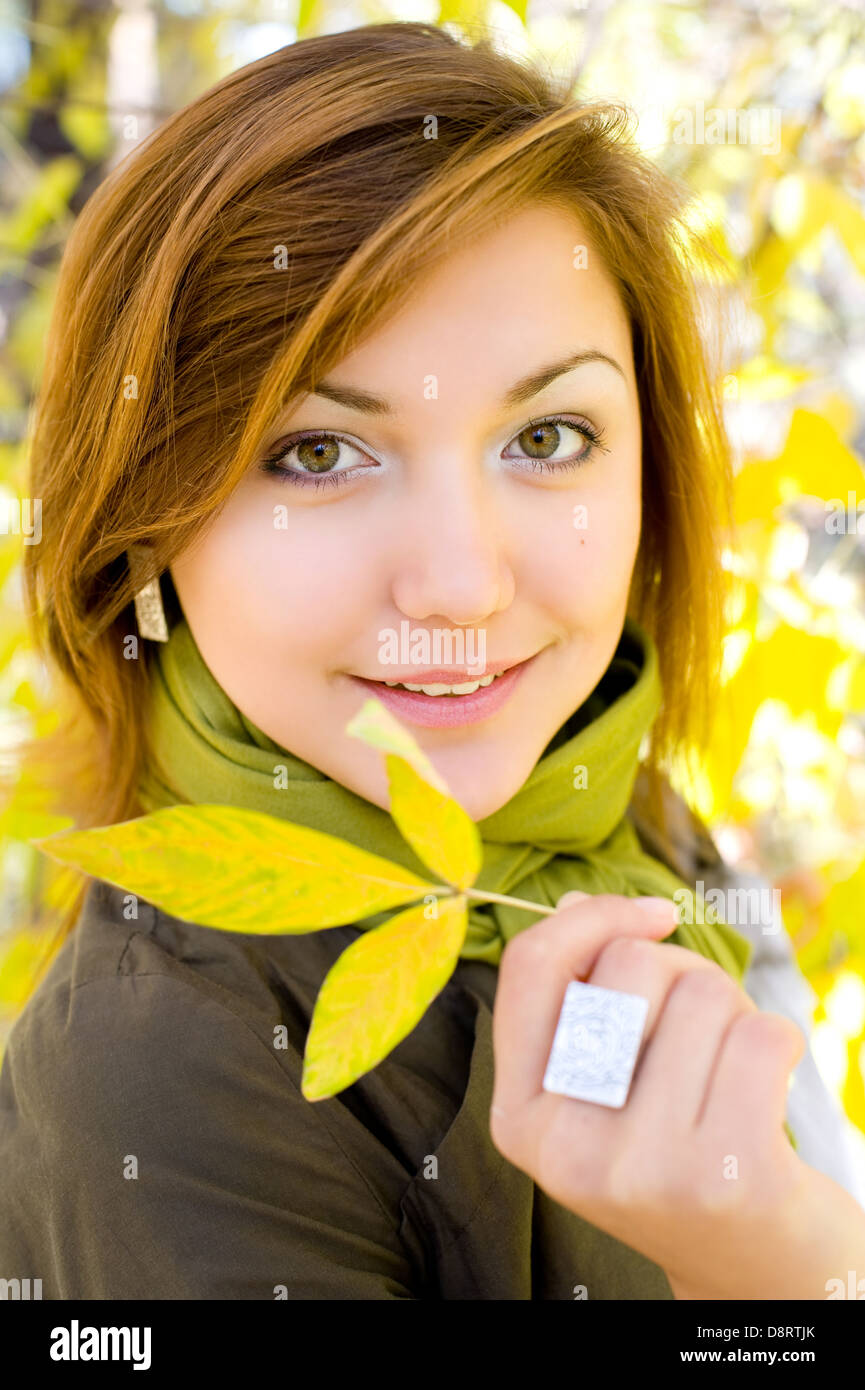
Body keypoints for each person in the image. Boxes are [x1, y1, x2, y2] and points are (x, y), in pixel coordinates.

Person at [1, 21, 863, 1300]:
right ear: (145, 518)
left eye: (550, 434)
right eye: (315, 453)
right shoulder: (161, 1077)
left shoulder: (592, 788)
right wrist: (773, 1276)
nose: (461, 586)